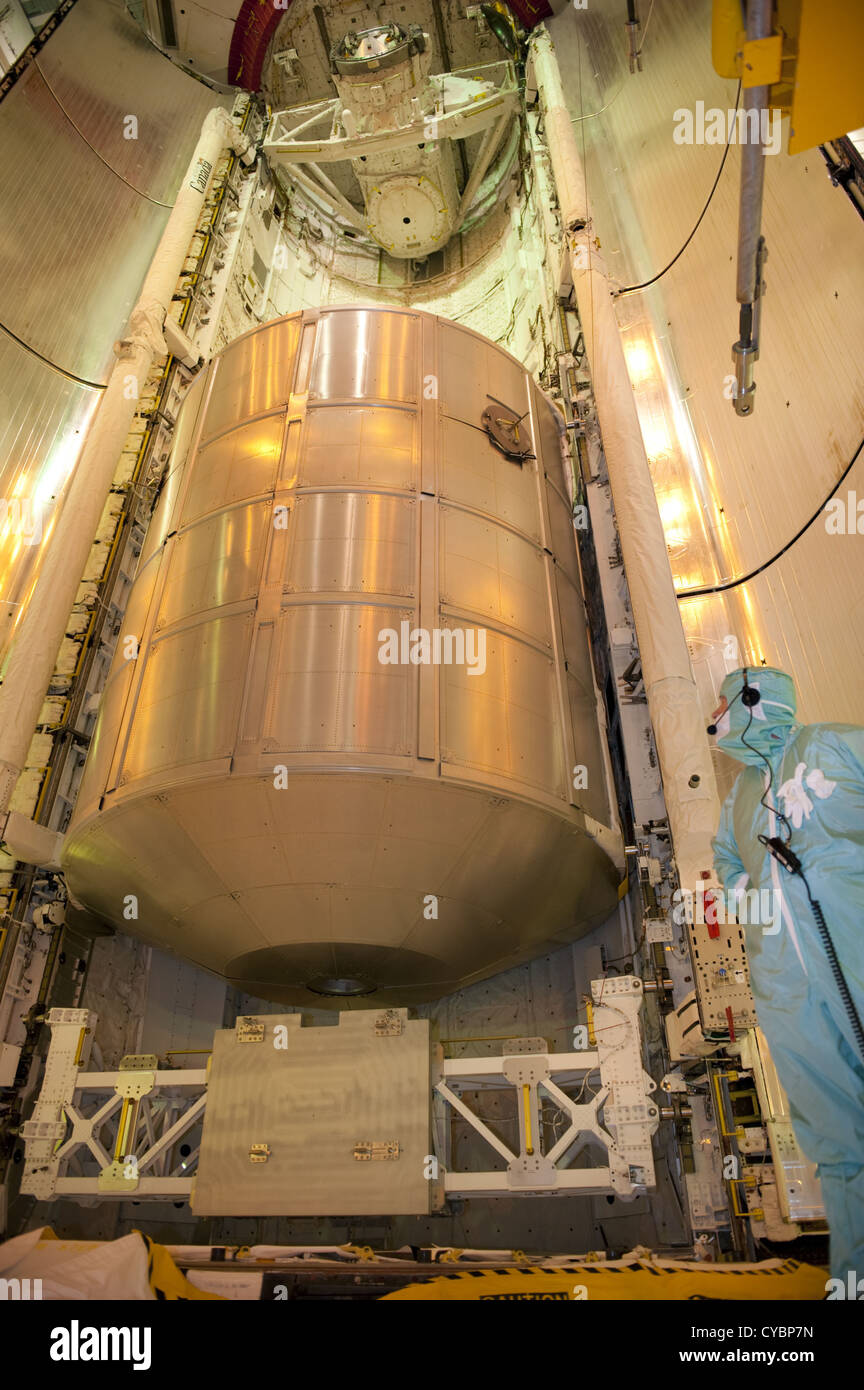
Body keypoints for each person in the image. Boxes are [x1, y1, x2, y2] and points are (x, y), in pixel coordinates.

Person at [710, 665, 864, 1280]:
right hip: (787, 988)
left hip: (852, 945)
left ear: (753, 701)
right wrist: (746, 890)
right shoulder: (741, 795)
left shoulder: (831, 744)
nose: (716, 718)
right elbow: (726, 857)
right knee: (835, 1141)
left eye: (723, 705)